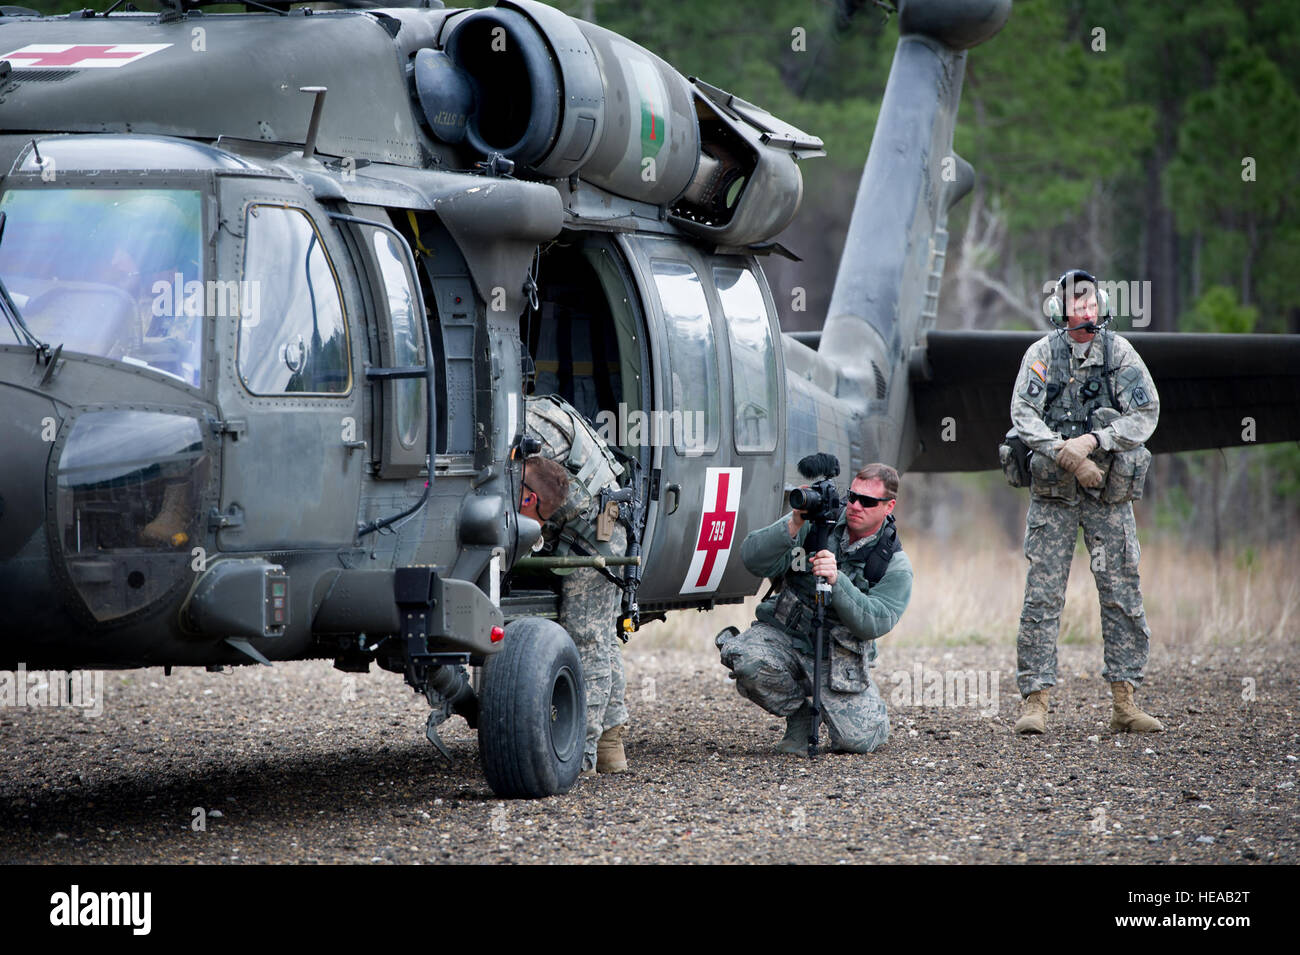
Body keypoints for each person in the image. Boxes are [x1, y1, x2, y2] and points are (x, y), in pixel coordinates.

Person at [1010, 269, 1163, 735]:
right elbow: (1023, 414)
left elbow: (1146, 413)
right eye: (1075, 303)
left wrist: (1096, 439)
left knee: (1121, 594)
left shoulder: (1119, 353)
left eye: (1090, 302)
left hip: (1108, 496)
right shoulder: (1041, 354)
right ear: (1059, 309)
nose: (1084, 310)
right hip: (1055, 495)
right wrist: (1067, 455)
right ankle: (1035, 702)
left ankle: (1125, 702)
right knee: (1042, 597)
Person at [716, 463, 913, 753]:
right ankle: (800, 717)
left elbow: (875, 622)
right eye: (852, 496)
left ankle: (870, 713)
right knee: (745, 658)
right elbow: (752, 558)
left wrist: (838, 581)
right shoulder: (818, 521)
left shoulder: (893, 565)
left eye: (868, 501)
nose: (855, 506)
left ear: (888, 506)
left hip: (838, 654)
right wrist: (793, 523)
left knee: (855, 742)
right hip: (786, 636)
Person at [519, 394, 631, 776]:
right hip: (601, 522)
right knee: (601, 637)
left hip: (598, 532)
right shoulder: (525, 419)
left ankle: (580, 753)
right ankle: (610, 747)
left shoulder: (525, 430)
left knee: (587, 637)